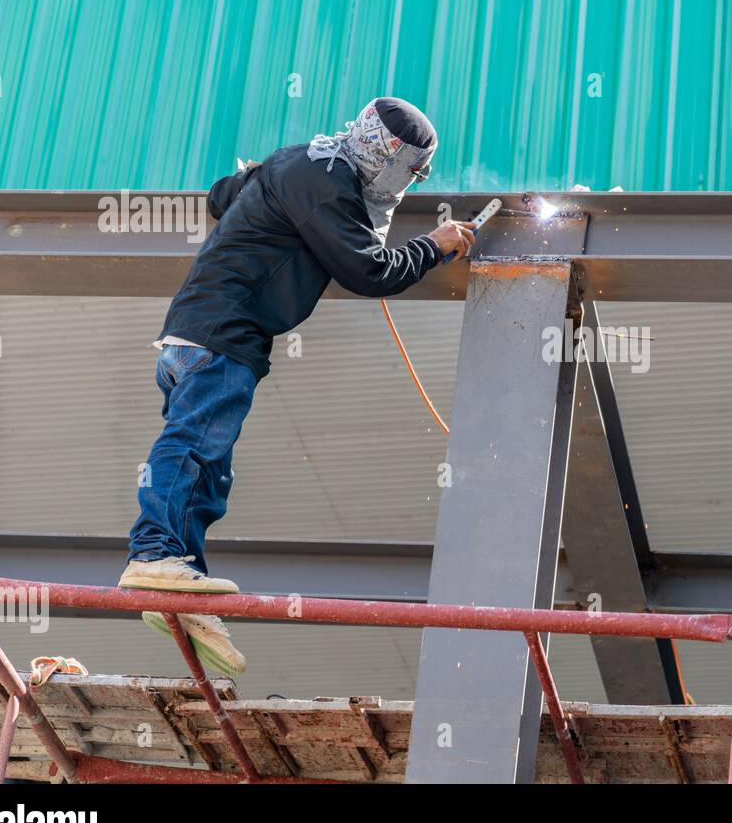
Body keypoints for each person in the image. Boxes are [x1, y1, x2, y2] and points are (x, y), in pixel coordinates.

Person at [118, 98, 475, 675]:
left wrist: (262, 178)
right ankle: (154, 553)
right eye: (411, 170)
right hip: (220, 337)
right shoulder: (326, 180)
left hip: (196, 338)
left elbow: (220, 196)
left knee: (211, 468)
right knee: (192, 448)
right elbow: (369, 270)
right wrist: (434, 247)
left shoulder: (300, 162)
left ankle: (179, 586)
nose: (409, 183)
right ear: (390, 154)